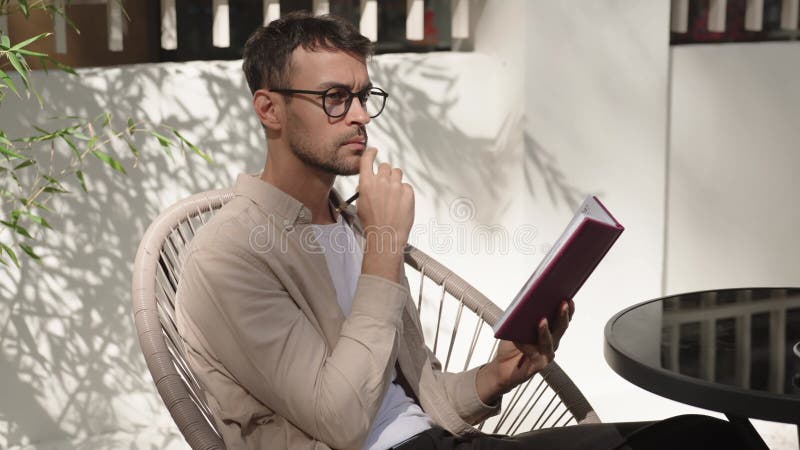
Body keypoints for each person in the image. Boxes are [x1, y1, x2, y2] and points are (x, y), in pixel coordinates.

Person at [175, 12, 753, 450]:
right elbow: (342, 422)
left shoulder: (350, 222)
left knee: (707, 437)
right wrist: (383, 249)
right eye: (333, 98)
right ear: (268, 110)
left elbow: (410, 398)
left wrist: (495, 376)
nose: (357, 115)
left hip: (440, 442)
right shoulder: (229, 256)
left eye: (362, 96)